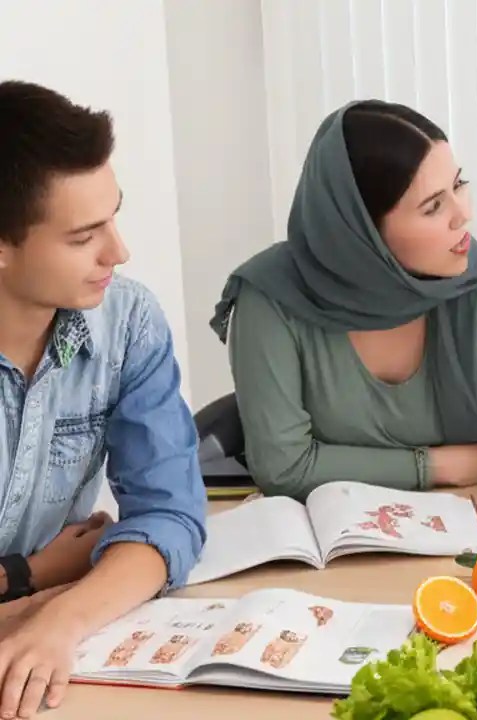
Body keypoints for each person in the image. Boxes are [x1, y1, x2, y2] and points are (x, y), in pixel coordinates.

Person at [212, 100, 477, 500]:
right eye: (433, 206)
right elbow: (284, 467)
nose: (463, 216)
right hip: (324, 554)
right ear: (360, 233)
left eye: (458, 185)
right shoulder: (271, 300)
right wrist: (437, 466)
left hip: (471, 550)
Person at [0, 81, 207, 717]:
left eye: (113, 215)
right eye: (83, 236)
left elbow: (169, 517)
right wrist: (30, 574)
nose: (119, 251)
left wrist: (60, 620)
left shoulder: (129, 321)